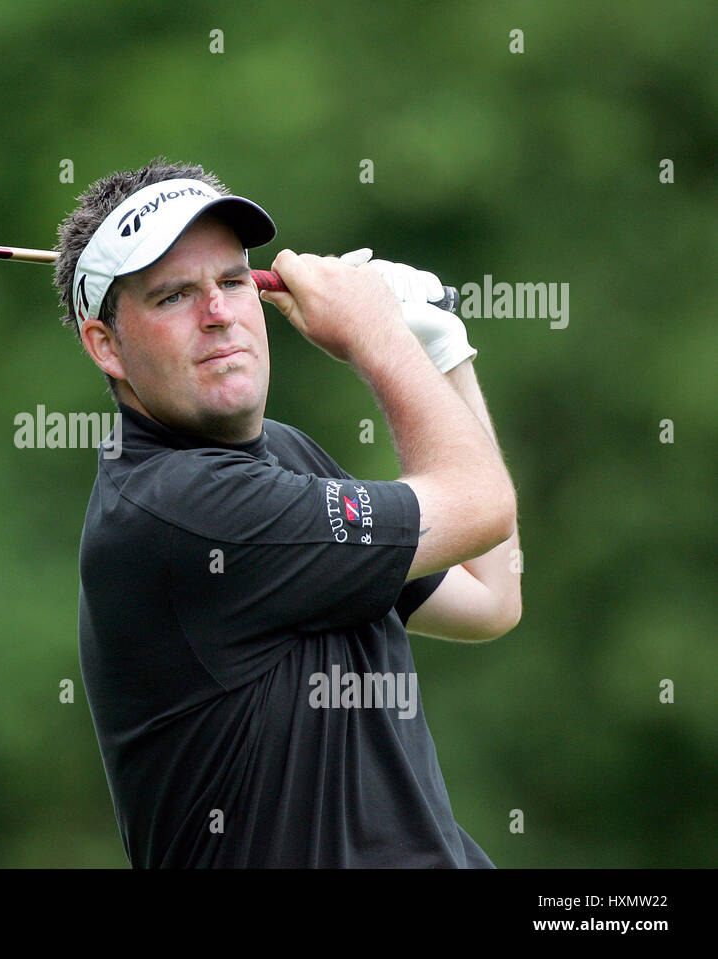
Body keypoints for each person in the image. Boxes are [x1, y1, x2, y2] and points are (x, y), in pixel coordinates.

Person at [53, 158, 522, 867]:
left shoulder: (282, 457)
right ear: (106, 344)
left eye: (233, 281)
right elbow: (480, 503)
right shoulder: (183, 507)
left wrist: (440, 343)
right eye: (173, 295)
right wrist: (378, 338)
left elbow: (493, 594)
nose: (217, 313)